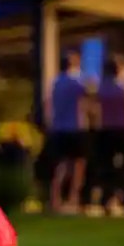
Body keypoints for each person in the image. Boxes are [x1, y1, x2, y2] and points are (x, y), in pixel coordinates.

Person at [46, 51, 88, 213]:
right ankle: (73, 197)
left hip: (58, 127)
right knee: (78, 164)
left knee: (61, 164)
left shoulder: (56, 83)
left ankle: (55, 197)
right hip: (75, 127)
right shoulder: (76, 81)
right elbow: (88, 93)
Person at [95, 56, 124, 216]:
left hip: (106, 130)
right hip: (123, 129)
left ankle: (106, 199)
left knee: (106, 166)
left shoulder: (102, 90)